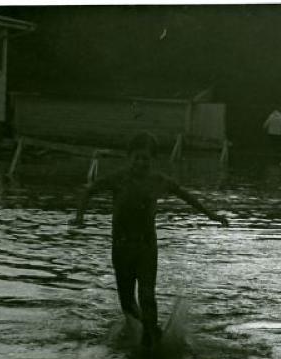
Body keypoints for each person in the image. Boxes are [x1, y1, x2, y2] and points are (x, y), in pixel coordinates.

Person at [75, 132, 228, 347]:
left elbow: (185, 195)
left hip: (146, 246)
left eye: (145, 158)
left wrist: (211, 215)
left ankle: (150, 340)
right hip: (122, 247)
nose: (141, 162)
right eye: (137, 157)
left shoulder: (158, 181)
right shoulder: (118, 178)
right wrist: (79, 217)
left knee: (147, 295)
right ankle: (142, 331)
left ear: (152, 159)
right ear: (130, 158)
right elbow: (89, 191)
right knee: (128, 303)